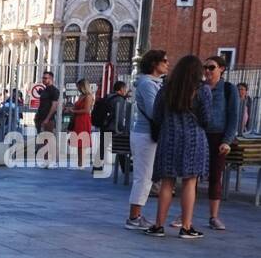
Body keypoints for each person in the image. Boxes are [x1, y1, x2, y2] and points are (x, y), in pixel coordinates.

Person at [145, 55, 211, 239]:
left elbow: (157, 116)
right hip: (193, 138)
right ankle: (187, 227)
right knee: (190, 182)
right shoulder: (202, 90)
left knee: (167, 182)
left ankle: (158, 225)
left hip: (169, 138)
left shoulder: (166, 89)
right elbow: (206, 118)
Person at [127, 50, 168, 229]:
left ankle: (137, 214)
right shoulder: (147, 84)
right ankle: (134, 217)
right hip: (145, 134)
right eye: (164, 61)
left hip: (147, 134)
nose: (167, 63)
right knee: (143, 177)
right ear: (154, 64)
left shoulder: (155, 84)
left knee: (146, 177)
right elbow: (154, 111)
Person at [202, 55, 241, 231]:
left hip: (218, 137)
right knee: (191, 175)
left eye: (211, 67)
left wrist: (227, 140)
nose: (207, 71)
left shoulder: (228, 89)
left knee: (215, 176)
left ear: (222, 69)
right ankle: (184, 214)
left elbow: (234, 117)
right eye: (206, 67)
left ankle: (213, 216)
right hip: (200, 135)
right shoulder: (200, 88)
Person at [90, 79, 127, 172]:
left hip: (105, 125)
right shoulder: (120, 99)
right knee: (120, 146)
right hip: (114, 127)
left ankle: (97, 166)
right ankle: (124, 167)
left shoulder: (108, 97)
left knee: (103, 146)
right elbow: (119, 115)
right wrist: (121, 128)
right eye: (125, 89)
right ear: (121, 89)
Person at [35, 70, 61, 166]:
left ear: (51, 79)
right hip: (41, 118)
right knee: (44, 140)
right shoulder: (45, 90)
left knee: (48, 140)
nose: (44, 80)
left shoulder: (54, 91)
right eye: (43, 78)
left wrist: (47, 119)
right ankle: (46, 160)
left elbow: (54, 106)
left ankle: (52, 160)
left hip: (48, 119)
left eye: (46, 78)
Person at [71, 78, 94, 167]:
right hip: (78, 119)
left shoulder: (88, 96)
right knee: (78, 142)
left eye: (78, 87)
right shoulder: (81, 96)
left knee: (81, 142)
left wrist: (73, 111)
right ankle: (79, 163)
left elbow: (87, 110)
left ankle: (81, 163)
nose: (77, 89)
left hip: (83, 120)